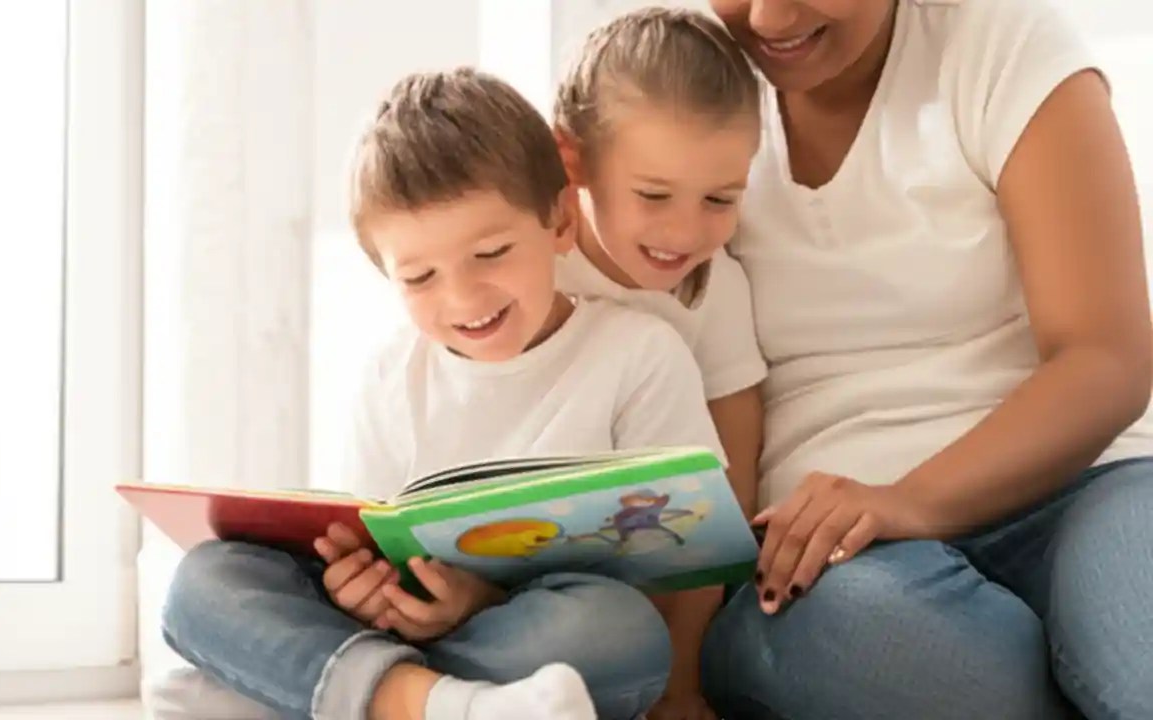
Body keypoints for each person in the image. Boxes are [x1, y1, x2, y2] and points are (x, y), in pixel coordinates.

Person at [162, 67, 734, 720]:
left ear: (560, 221)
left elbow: (691, 560)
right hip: (403, 637)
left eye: (491, 253)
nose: (463, 298)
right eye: (420, 277)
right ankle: (429, 704)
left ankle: (312, 692)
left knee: (619, 632)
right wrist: (361, 589)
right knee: (205, 580)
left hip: (529, 634)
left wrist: (479, 602)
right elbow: (370, 537)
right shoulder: (390, 373)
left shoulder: (639, 355)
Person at [695, 0, 1153, 718]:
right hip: (837, 554)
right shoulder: (682, 79)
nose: (770, 17)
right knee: (936, 671)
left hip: (1083, 485)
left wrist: (906, 501)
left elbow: (1106, 360)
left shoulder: (1000, 45)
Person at [549, 9, 768, 718]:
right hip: (504, 569)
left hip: (631, 596)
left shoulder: (716, 290)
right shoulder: (530, 263)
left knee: (613, 638)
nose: (684, 231)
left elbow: (720, 501)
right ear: (572, 162)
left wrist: (683, 679)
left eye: (719, 200)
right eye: (653, 195)